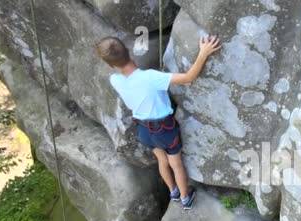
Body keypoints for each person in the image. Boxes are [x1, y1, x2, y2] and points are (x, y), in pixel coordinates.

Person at [95, 35, 221, 209]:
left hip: (144, 131)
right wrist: (203, 53)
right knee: (175, 164)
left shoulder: (115, 80)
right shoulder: (151, 77)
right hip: (164, 130)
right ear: (128, 51)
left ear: (110, 65)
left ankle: (173, 191)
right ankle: (185, 198)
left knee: (162, 160)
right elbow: (188, 78)